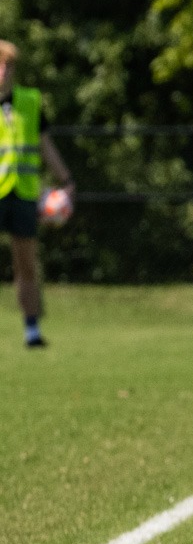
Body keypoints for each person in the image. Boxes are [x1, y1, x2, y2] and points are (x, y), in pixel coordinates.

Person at [0, 41, 74, 349]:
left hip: (23, 194)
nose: (3, 72)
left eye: (8, 66)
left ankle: (31, 330)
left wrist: (66, 180)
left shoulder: (29, 101)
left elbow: (45, 145)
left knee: (26, 263)